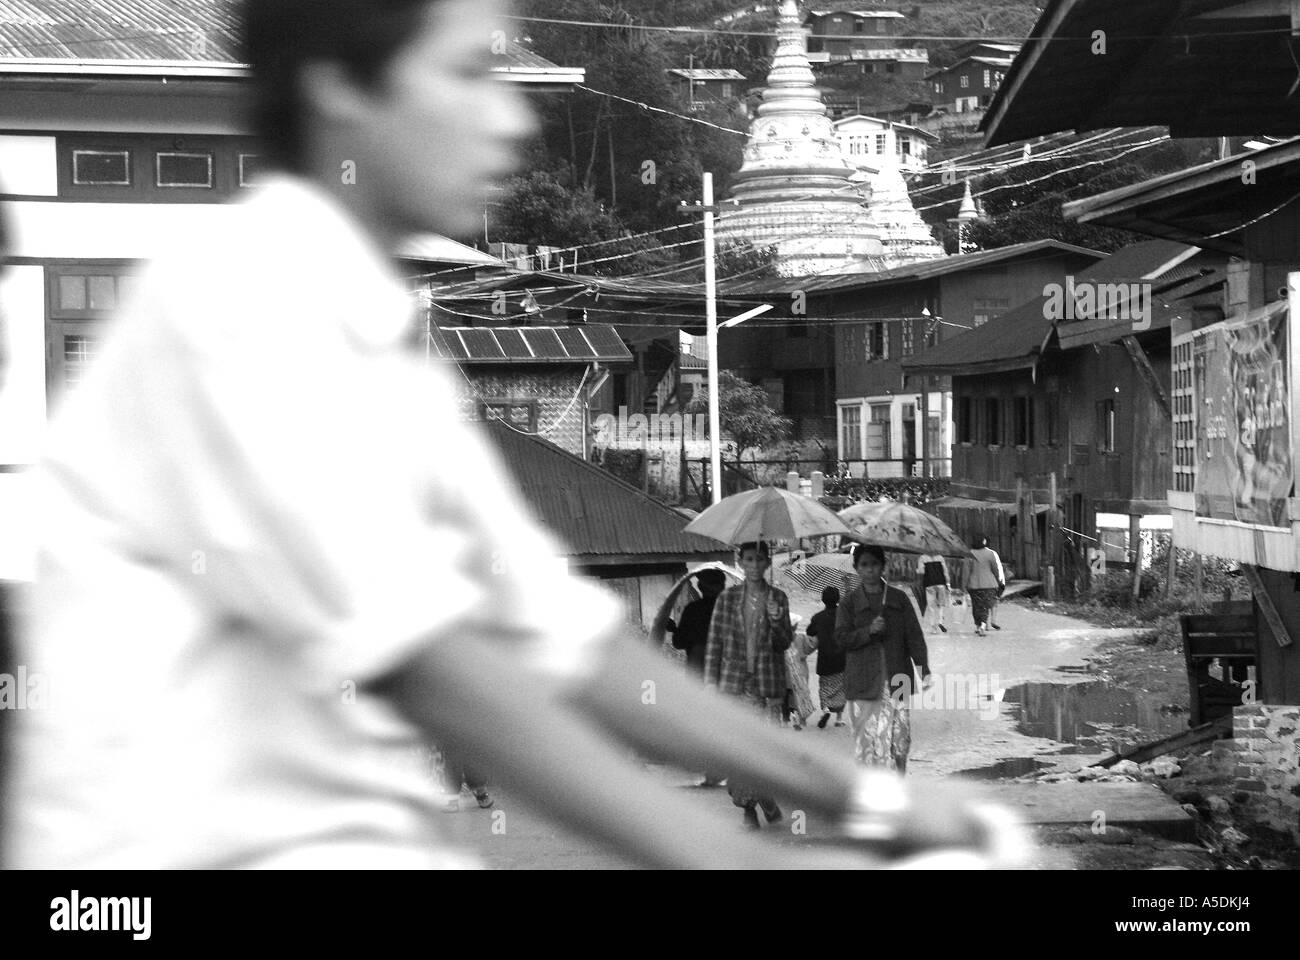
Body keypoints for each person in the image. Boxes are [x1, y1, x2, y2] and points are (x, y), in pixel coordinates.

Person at [3, 0, 1024, 871]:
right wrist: (732, 855)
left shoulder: (372, 329)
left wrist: (868, 806)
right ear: (340, 95)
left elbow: (560, 638)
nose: (503, 119)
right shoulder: (238, 307)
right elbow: (447, 670)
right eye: (464, 74)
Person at [704, 542, 792, 829]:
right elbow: (714, 643)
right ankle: (747, 806)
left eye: (760, 559)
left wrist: (778, 620)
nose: (754, 565)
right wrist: (709, 686)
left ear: (768, 563)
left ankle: (765, 798)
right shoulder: (727, 599)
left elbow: (783, 644)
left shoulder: (778, 597)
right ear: (740, 561)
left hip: (766, 689)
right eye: (749, 559)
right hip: (733, 687)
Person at [836, 545, 933, 774]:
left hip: (897, 677)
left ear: (883, 566)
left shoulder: (898, 600)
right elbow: (841, 639)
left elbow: (914, 636)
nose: (870, 570)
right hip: (862, 681)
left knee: (899, 740)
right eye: (864, 565)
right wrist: (869, 630)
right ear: (856, 568)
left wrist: (924, 669)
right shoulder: (848, 604)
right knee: (868, 742)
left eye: (874, 564)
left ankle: (896, 788)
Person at [665, 568, 726, 676]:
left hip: (698, 674)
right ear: (723, 587)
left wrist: (673, 629)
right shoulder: (731, 610)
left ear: (700, 587)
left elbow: (679, 642)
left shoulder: (693, 610)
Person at [807, 586, 846, 729]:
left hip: (824, 660)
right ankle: (839, 719)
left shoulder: (818, 617)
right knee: (842, 688)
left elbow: (809, 631)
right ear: (838, 599)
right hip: (842, 659)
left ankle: (825, 709)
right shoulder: (843, 616)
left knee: (824, 687)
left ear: (823, 600)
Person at [967, 536, 1006, 637]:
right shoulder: (990, 554)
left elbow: (966, 571)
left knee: (976, 606)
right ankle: (983, 626)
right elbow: (995, 569)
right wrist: (999, 580)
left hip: (973, 585)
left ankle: (978, 625)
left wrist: (963, 585)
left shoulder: (969, 554)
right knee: (985, 606)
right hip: (989, 584)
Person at [784, 623, 816, 731]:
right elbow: (812, 646)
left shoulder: (781, 639)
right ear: (796, 626)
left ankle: (787, 719)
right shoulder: (801, 638)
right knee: (802, 697)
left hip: (786, 672)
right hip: (800, 672)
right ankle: (802, 720)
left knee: (787, 697)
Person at [916, 553, 950, 634]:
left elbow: (921, 571)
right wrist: (948, 583)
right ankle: (940, 622)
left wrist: (917, 570)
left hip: (929, 584)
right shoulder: (940, 557)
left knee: (931, 606)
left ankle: (933, 627)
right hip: (941, 583)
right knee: (941, 604)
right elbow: (945, 571)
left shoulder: (922, 558)